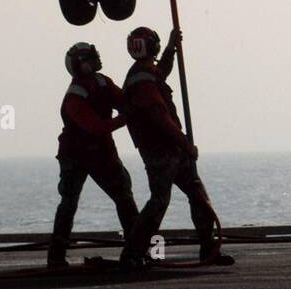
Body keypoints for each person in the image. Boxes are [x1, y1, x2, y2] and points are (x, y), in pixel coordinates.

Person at [119, 26, 233, 268]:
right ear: (152, 47)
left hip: (170, 149)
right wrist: (185, 144)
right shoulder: (144, 79)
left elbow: (161, 72)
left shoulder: (143, 74)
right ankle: (133, 253)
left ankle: (208, 248)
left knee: (198, 197)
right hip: (163, 150)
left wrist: (171, 47)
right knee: (160, 201)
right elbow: (160, 118)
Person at [48, 42, 138, 267]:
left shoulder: (102, 82)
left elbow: (123, 100)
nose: (96, 58)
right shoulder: (74, 98)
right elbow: (97, 127)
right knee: (70, 202)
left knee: (123, 195)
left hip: (99, 152)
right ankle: (56, 257)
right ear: (81, 65)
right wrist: (127, 117)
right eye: (90, 57)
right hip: (77, 155)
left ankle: (137, 247)